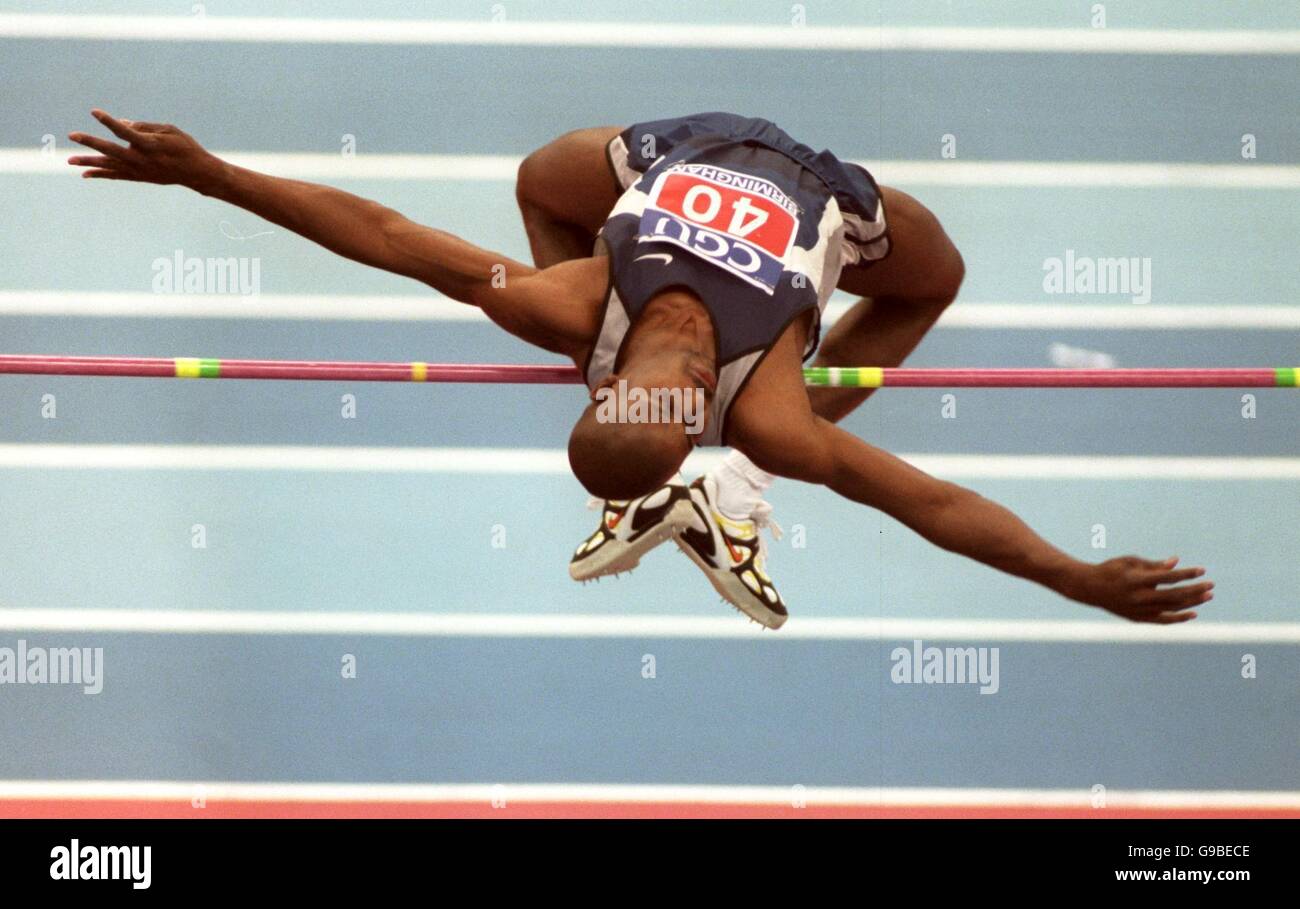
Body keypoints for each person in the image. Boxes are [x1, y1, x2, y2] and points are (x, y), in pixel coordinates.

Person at [67, 109, 1214, 629]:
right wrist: (1072, 577)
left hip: (687, 142)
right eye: (677, 395)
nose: (672, 366)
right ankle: (729, 467)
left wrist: (214, 174)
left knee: (541, 173)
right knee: (923, 279)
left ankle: (703, 486)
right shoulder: (763, 412)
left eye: (641, 385)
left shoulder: (570, 308)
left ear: (608, 381)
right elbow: (929, 501)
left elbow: (384, 230)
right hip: (837, 193)